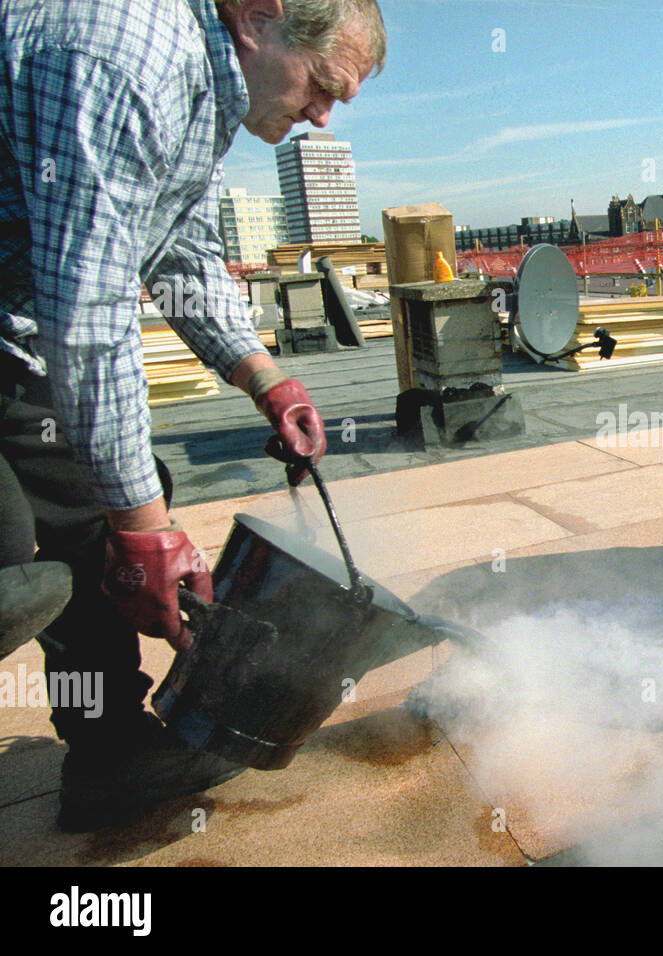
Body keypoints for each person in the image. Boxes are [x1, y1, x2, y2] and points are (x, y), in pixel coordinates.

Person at [0, 0, 385, 831]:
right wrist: (147, 530)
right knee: (12, 557)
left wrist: (265, 379)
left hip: (12, 329)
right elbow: (90, 309)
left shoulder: (206, 96)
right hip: (35, 317)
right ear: (257, 16)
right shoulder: (126, 56)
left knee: (85, 517)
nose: (322, 117)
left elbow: (181, 258)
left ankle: (107, 759)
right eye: (323, 86)